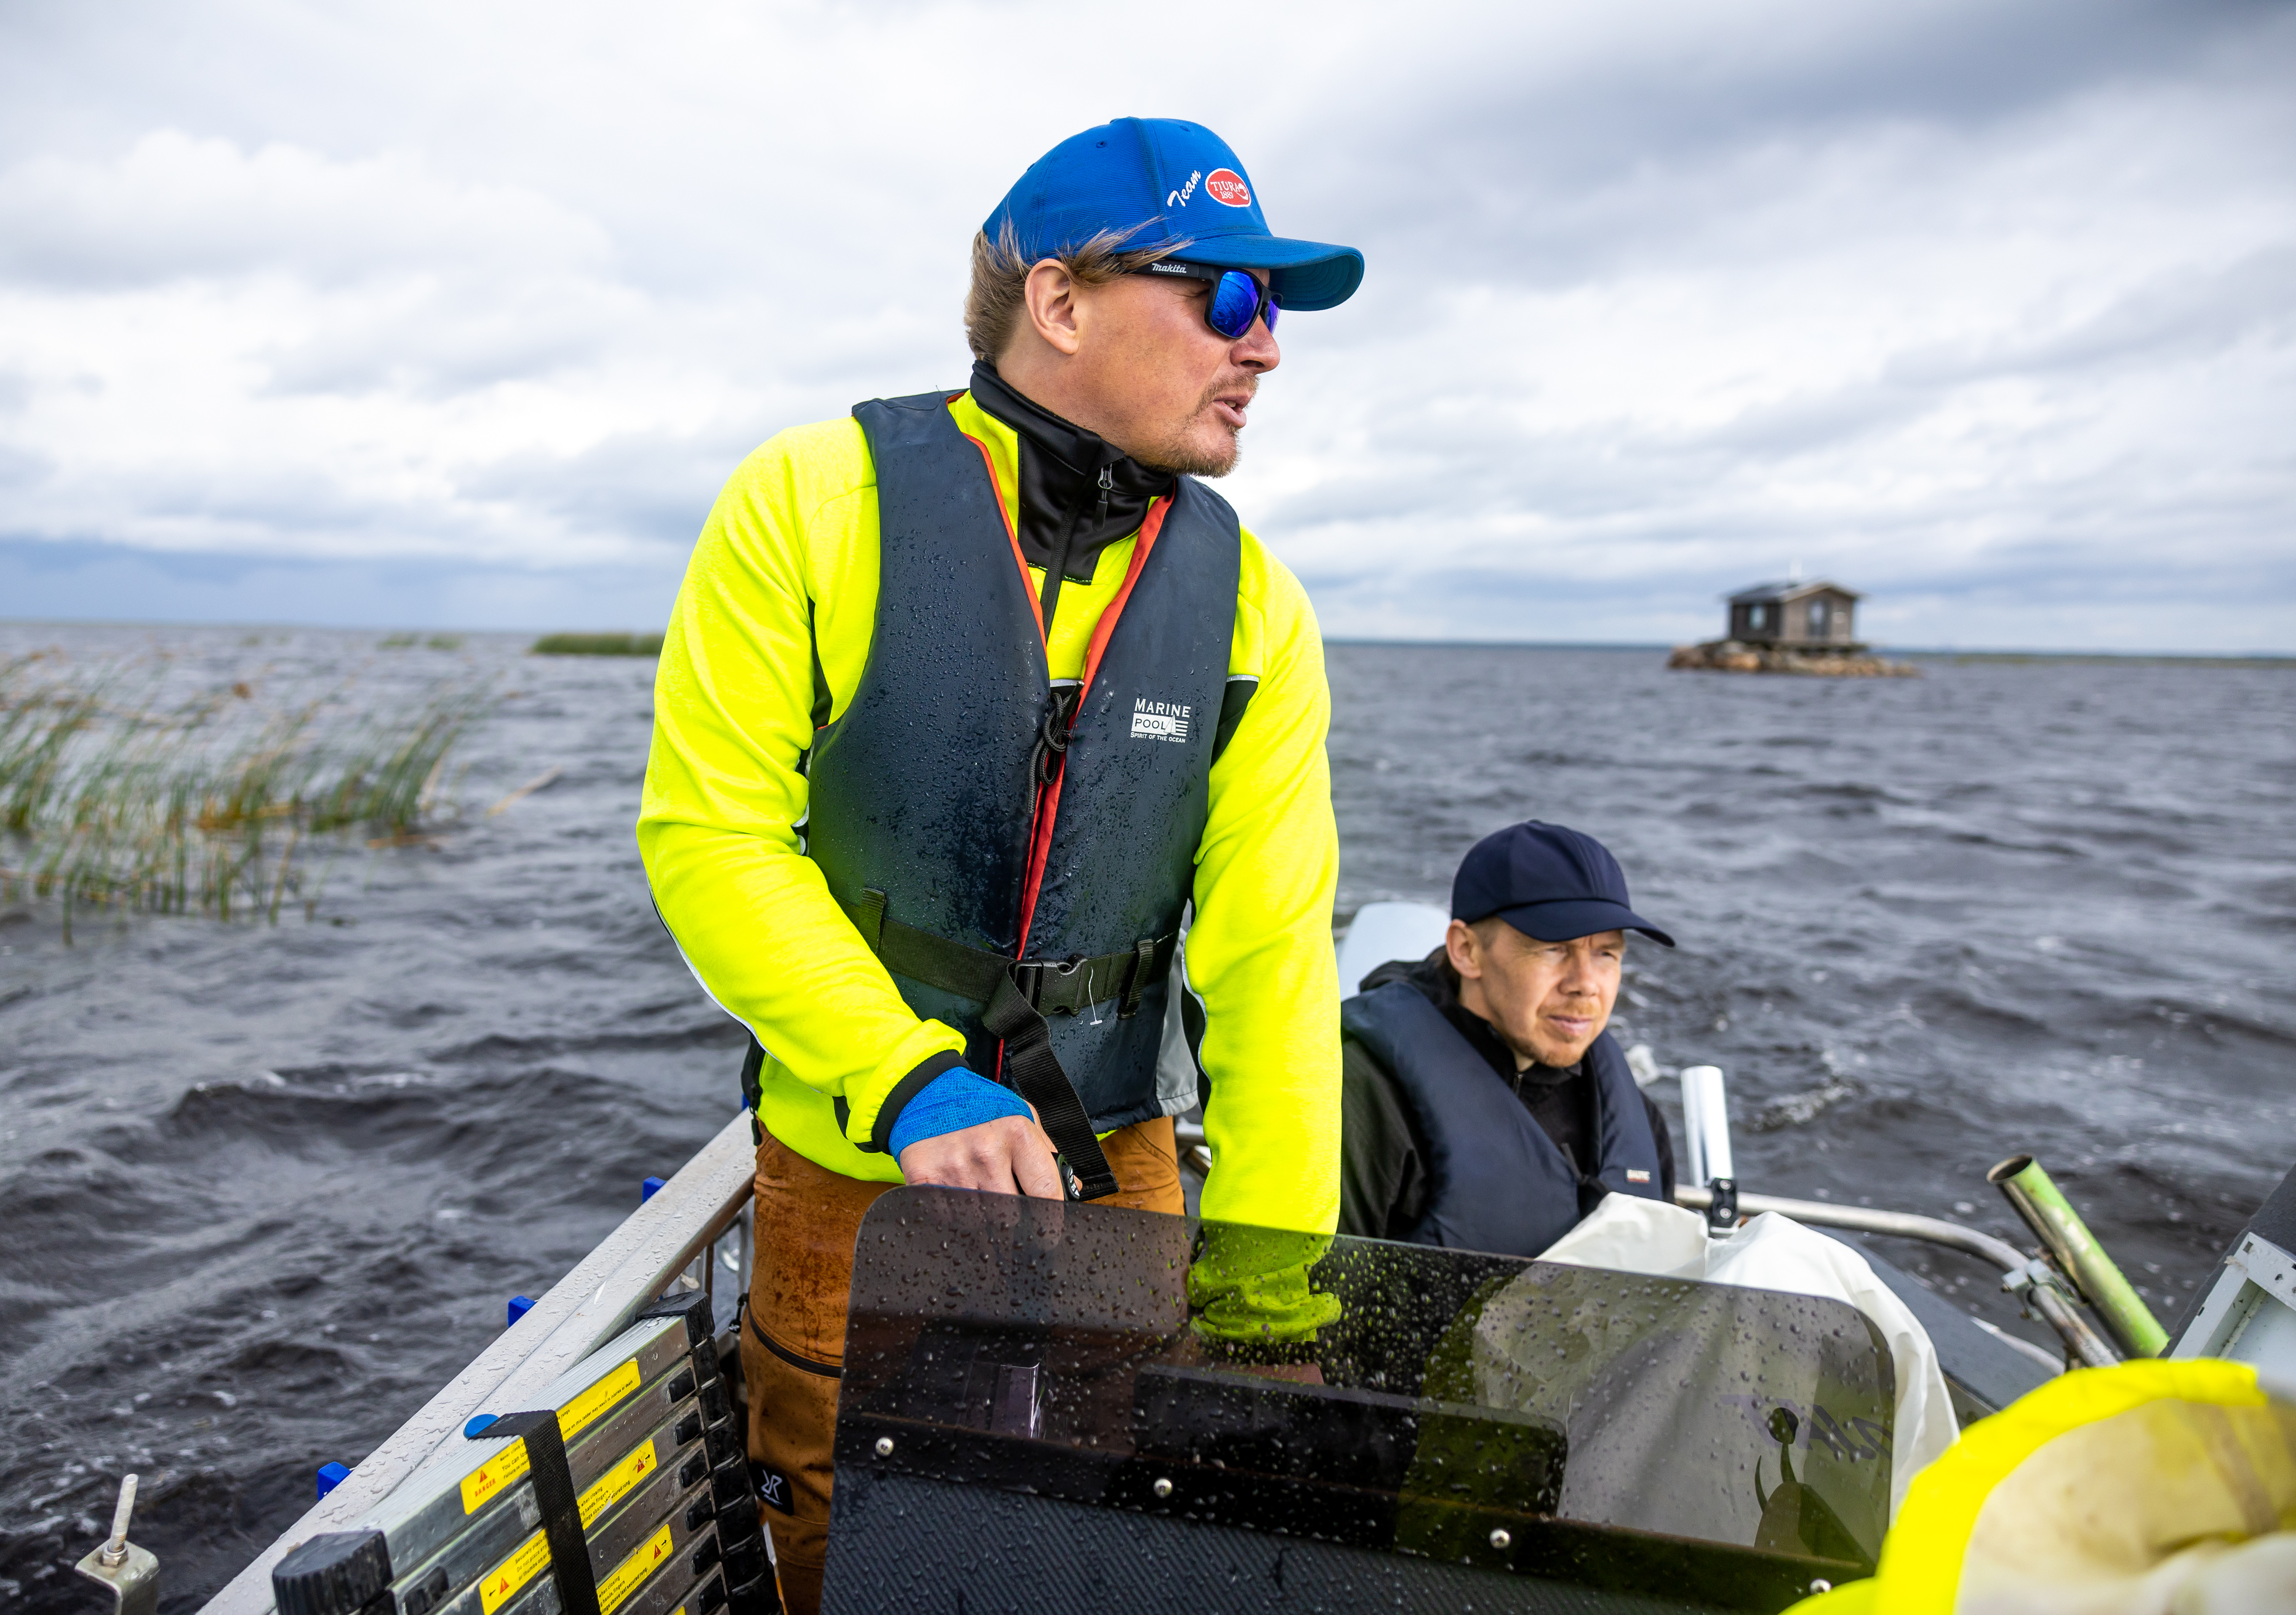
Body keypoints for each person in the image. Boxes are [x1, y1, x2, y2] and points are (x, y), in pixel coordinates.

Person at [638, 117, 1361, 1611]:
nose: (1266, 347)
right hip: (857, 1161)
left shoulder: (1254, 606)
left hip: (1115, 1152)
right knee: (845, 1548)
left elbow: (1274, 951)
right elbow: (709, 837)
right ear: (1059, 301)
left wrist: (1268, 1287)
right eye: (1229, 299)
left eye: (1276, 311)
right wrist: (903, 1076)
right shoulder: (804, 501)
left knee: (1102, 1539)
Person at [1339, 820, 1677, 1254]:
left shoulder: (1638, 1119)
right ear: (1467, 951)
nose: (1586, 984)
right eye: (1555, 949)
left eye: (1606, 954)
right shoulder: (1365, 1099)